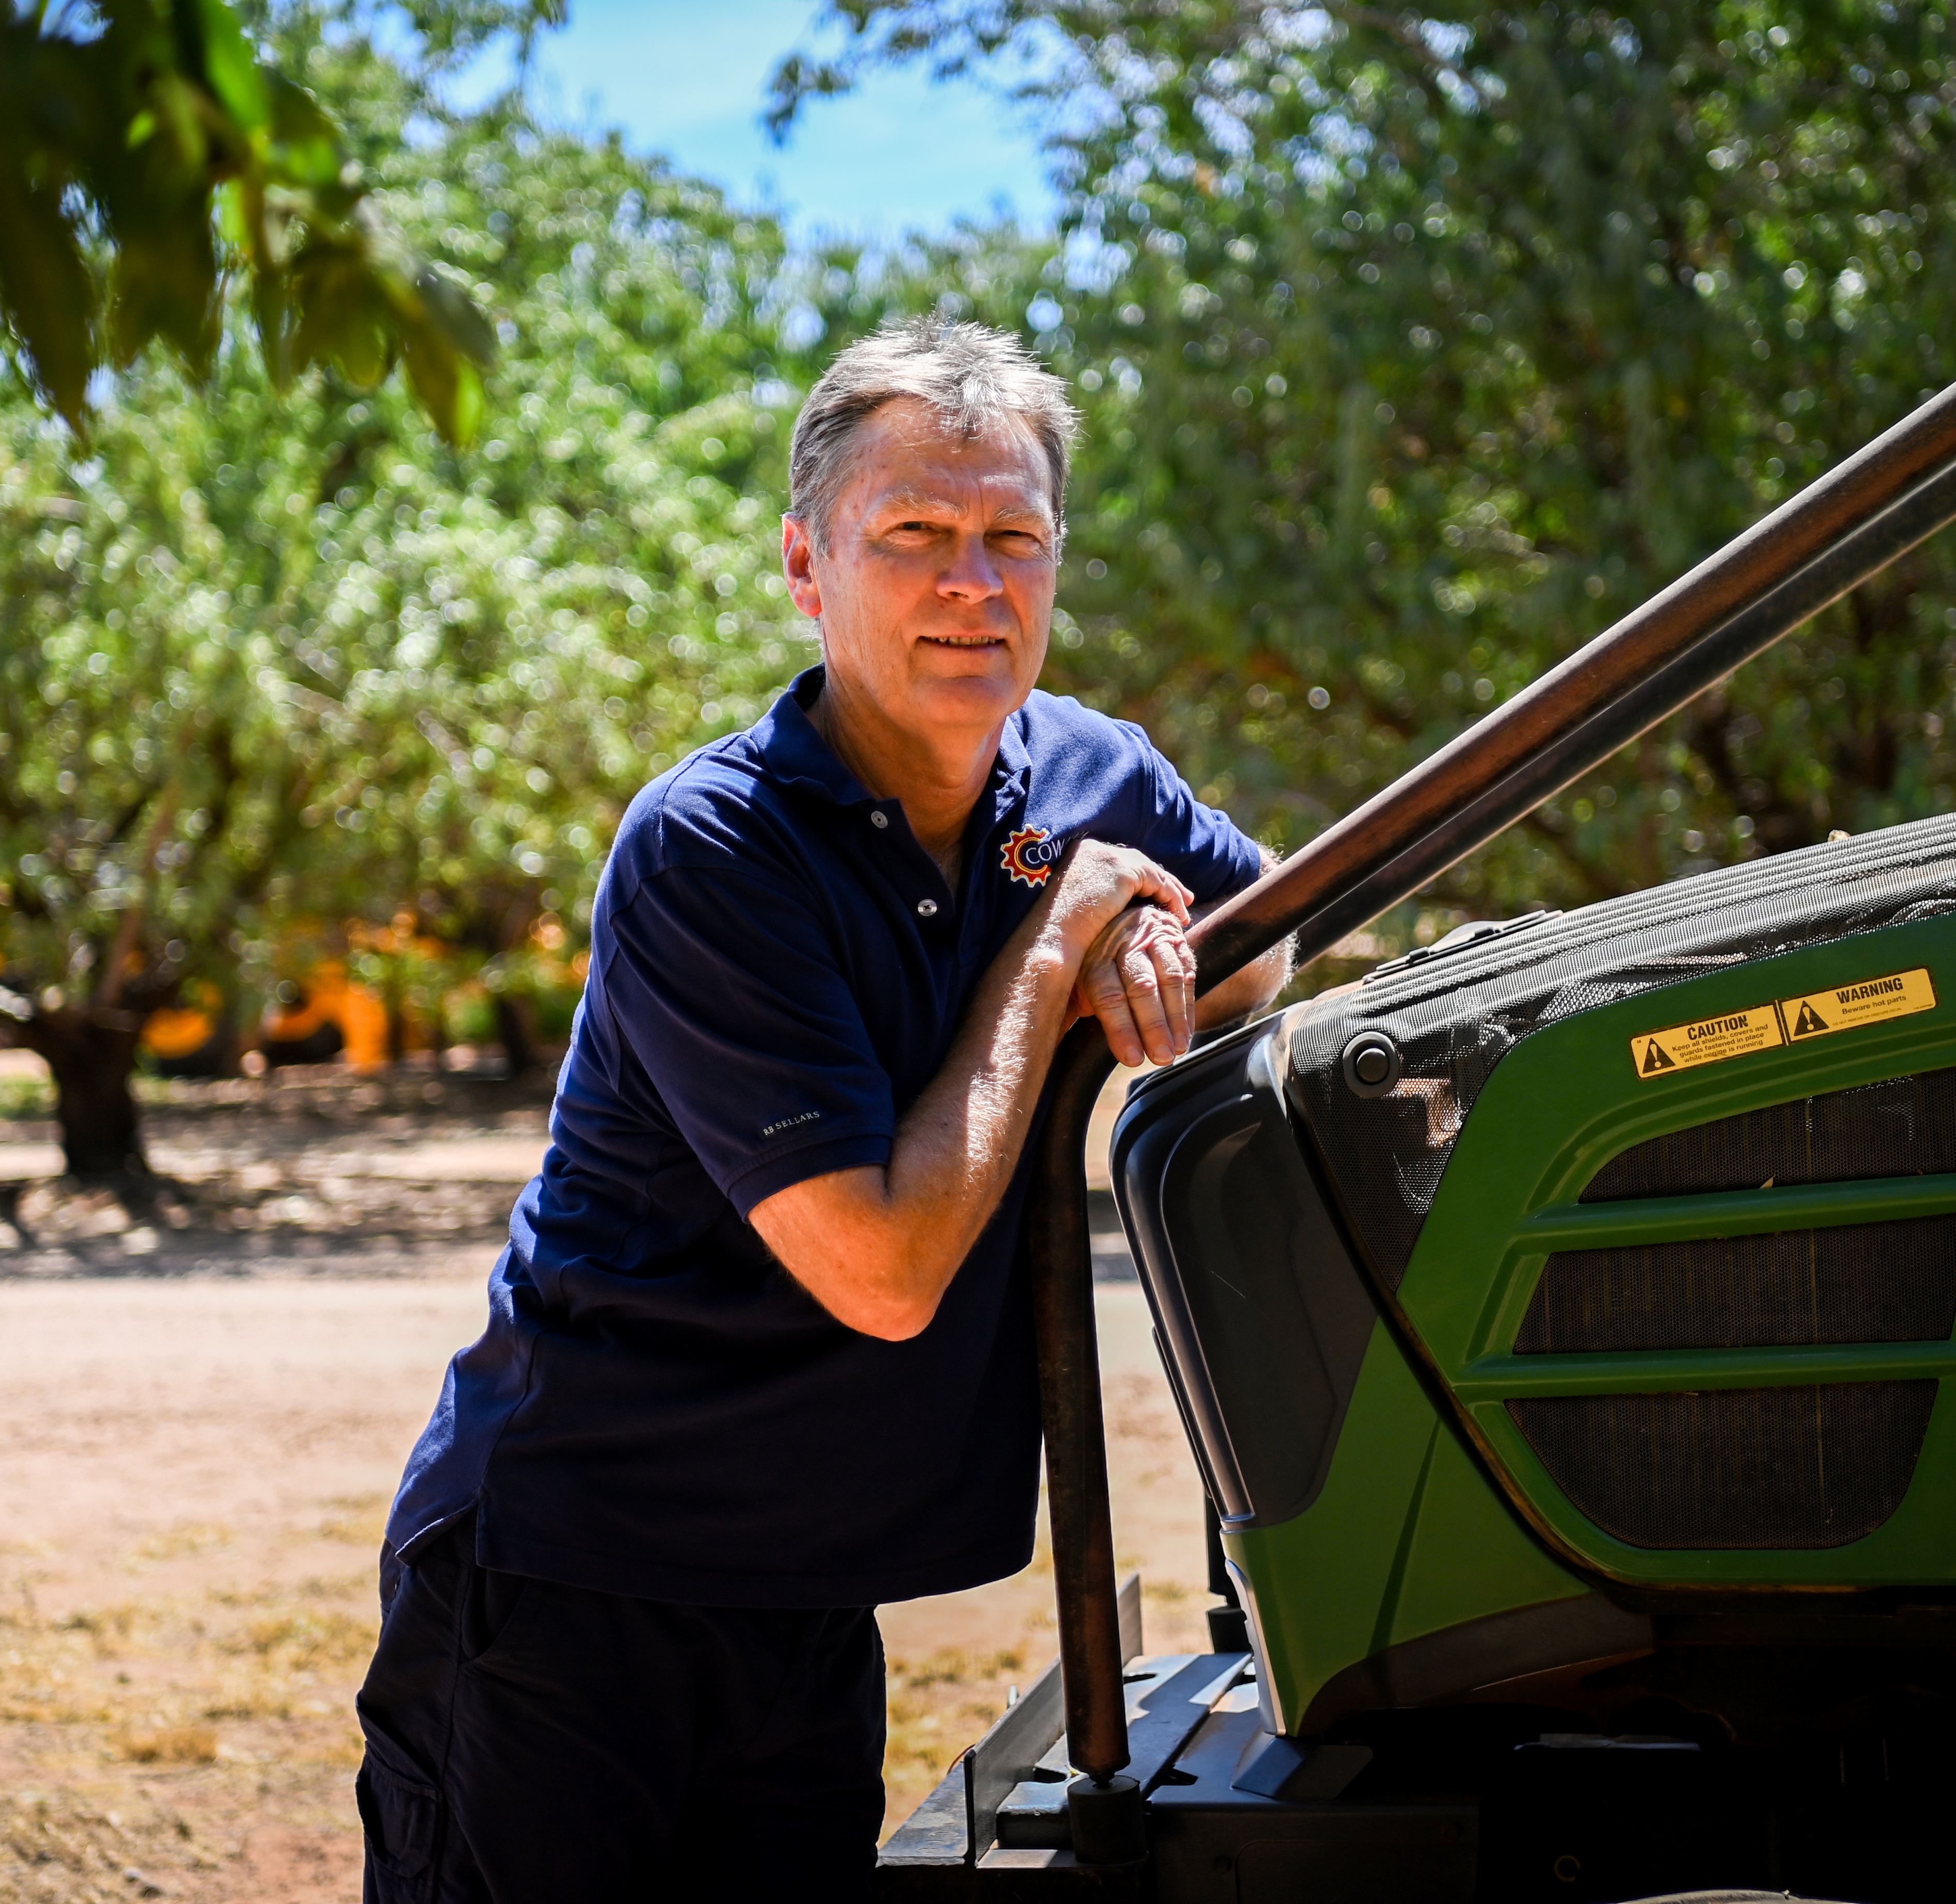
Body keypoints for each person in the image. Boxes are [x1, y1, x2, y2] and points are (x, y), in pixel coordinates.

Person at [354, 318, 1289, 1901]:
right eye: (913, 536)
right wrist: (1063, 939)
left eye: (1014, 540)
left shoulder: (1089, 773)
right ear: (806, 565)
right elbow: (883, 1265)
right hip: (573, 1579)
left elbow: (1278, 941)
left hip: (807, 1591)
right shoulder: (711, 849)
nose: (971, 585)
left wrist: (1155, 935)